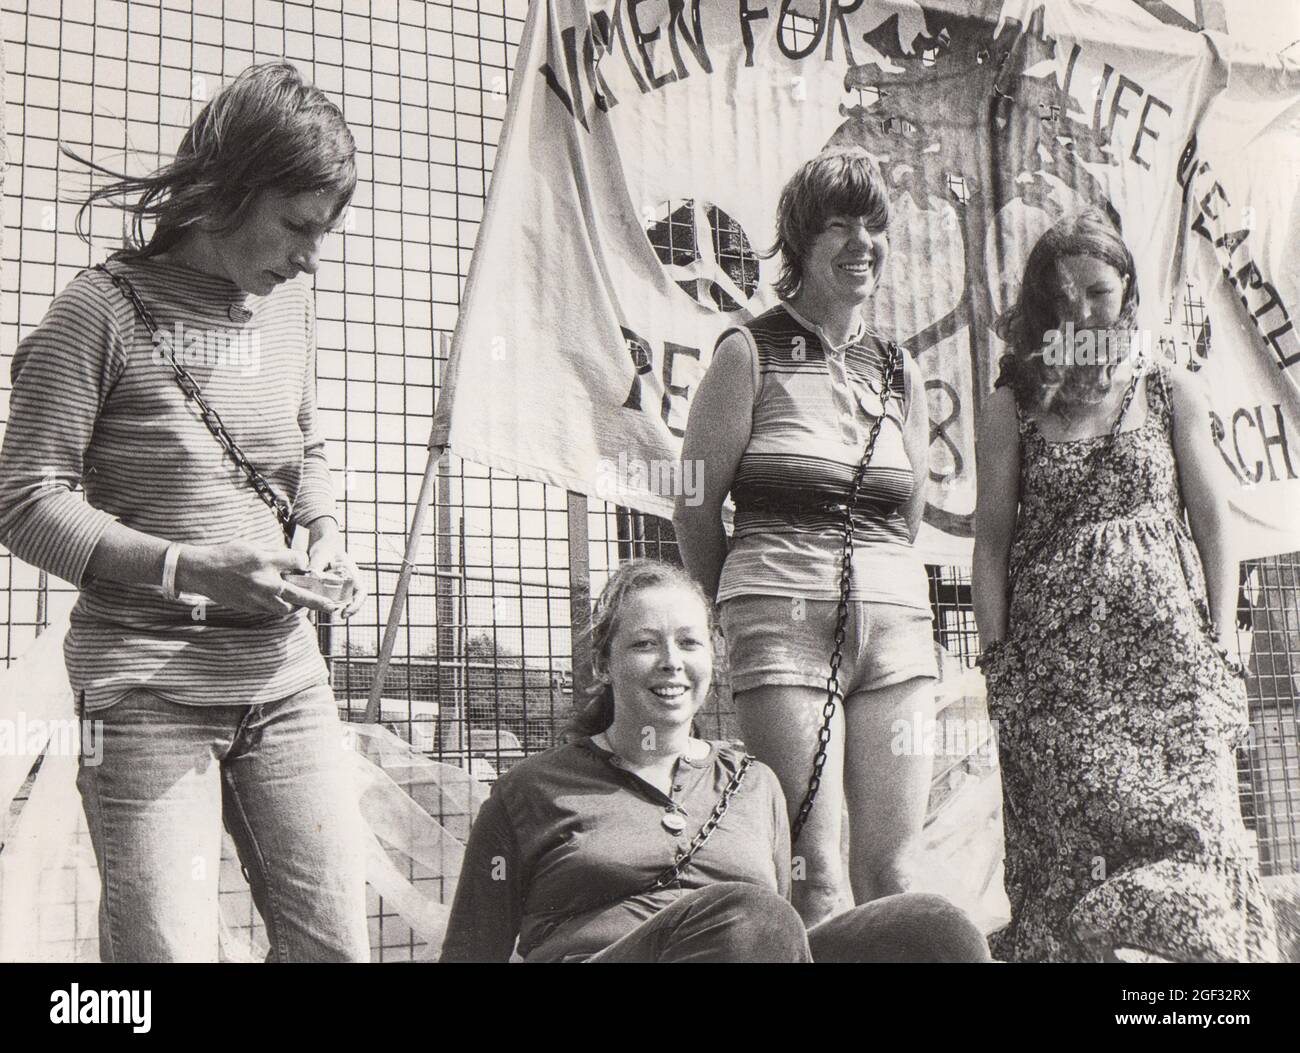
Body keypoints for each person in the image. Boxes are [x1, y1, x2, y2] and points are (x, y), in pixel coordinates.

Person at [0, 63, 371, 962]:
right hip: (146, 691)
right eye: (297, 226)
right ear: (224, 192)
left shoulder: (290, 311)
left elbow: (302, 445)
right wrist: (184, 567)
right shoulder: (97, 310)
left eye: (324, 233)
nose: (310, 256)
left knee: (336, 949)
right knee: (165, 955)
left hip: (284, 682)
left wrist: (325, 531)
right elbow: (24, 501)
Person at [971, 207, 1279, 962]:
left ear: (1129, 293)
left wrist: (1222, 648)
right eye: (1062, 292)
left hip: (1171, 679)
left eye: (1099, 290)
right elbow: (990, 546)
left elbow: (1214, 526)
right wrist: (998, 664)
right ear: (1040, 303)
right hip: (1056, 690)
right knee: (1068, 872)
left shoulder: (1173, 391)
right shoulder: (1009, 403)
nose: (1080, 306)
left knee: (1198, 854)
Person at [439, 559, 989, 962]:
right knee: (750, 919)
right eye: (645, 645)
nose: (671, 663)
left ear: (713, 659)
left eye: (689, 643)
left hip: (746, 941)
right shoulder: (531, 790)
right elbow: (469, 952)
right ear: (603, 663)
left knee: (933, 930)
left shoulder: (754, 784)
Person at [673, 147, 936, 925]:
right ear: (800, 245)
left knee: (895, 868)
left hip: (895, 634)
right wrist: (739, 610)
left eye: (873, 226)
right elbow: (692, 504)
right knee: (816, 873)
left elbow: (907, 512)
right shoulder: (747, 351)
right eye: (839, 227)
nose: (862, 242)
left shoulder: (899, 370)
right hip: (780, 629)